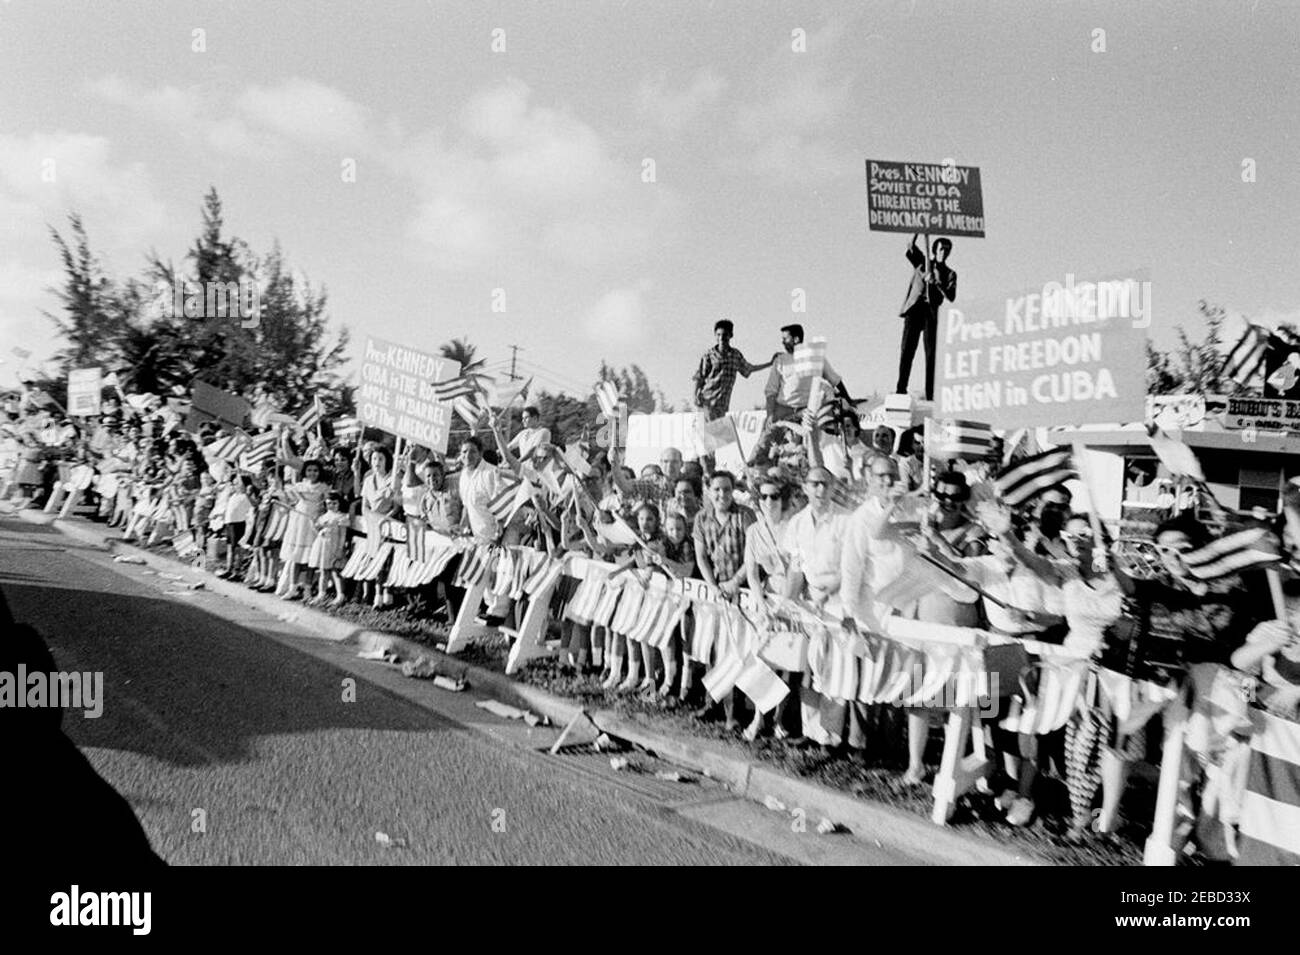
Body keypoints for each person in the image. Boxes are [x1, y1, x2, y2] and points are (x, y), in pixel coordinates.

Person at [688, 470, 756, 729]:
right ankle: (711, 703)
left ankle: (734, 713)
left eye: (726, 489)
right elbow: (701, 556)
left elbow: (752, 556)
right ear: (709, 490)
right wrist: (713, 586)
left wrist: (734, 583)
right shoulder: (701, 518)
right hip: (714, 593)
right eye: (716, 489)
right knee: (712, 649)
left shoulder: (745, 516)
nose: (722, 495)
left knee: (735, 651)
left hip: (741, 591)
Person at [896, 234, 957, 400]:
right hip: (915, 309)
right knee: (907, 350)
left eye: (947, 250)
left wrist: (936, 282)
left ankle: (931, 394)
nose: (944, 252)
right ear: (935, 250)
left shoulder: (950, 273)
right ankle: (901, 389)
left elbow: (951, 296)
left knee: (931, 354)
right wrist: (919, 228)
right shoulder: (922, 262)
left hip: (931, 311)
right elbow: (910, 245)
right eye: (941, 249)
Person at [692, 320, 774, 421]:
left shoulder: (735, 355)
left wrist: (770, 363)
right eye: (718, 335)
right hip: (707, 403)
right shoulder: (709, 355)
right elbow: (699, 377)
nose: (721, 338)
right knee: (712, 434)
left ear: (731, 335)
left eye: (724, 335)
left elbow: (749, 369)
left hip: (722, 405)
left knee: (719, 434)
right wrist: (695, 395)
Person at [764, 324, 847, 423]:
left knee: (813, 434)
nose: (782, 342)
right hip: (782, 410)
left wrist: (849, 399)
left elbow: (835, 380)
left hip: (806, 412)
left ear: (796, 339)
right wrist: (770, 415)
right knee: (766, 437)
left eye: (785, 339)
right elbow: (770, 391)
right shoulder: (780, 360)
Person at [307, 491, 350, 605]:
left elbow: (343, 535)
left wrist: (340, 549)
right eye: (329, 503)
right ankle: (322, 593)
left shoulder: (342, 517)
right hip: (322, 545)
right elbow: (316, 530)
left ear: (339, 503)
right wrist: (315, 526)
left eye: (334, 503)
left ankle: (340, 595)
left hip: (334, 546)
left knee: (335, 571)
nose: (332, 506)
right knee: (323, 571)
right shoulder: (323, 517)